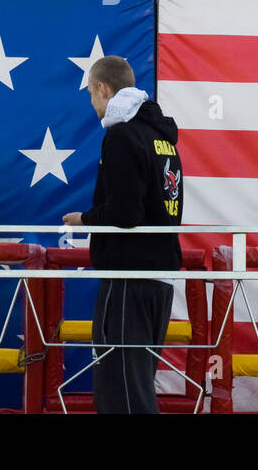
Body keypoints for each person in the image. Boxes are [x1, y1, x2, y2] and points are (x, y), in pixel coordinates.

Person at [61, 55, 182, 414]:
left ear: (103, 88)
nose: (93, 106)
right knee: (137, 385)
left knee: (123, 393)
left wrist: (85, 219)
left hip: (128, 277)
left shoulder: (122, 134)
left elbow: (126, 212)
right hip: (159, 280)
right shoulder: (163, 139)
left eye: (91, 96)